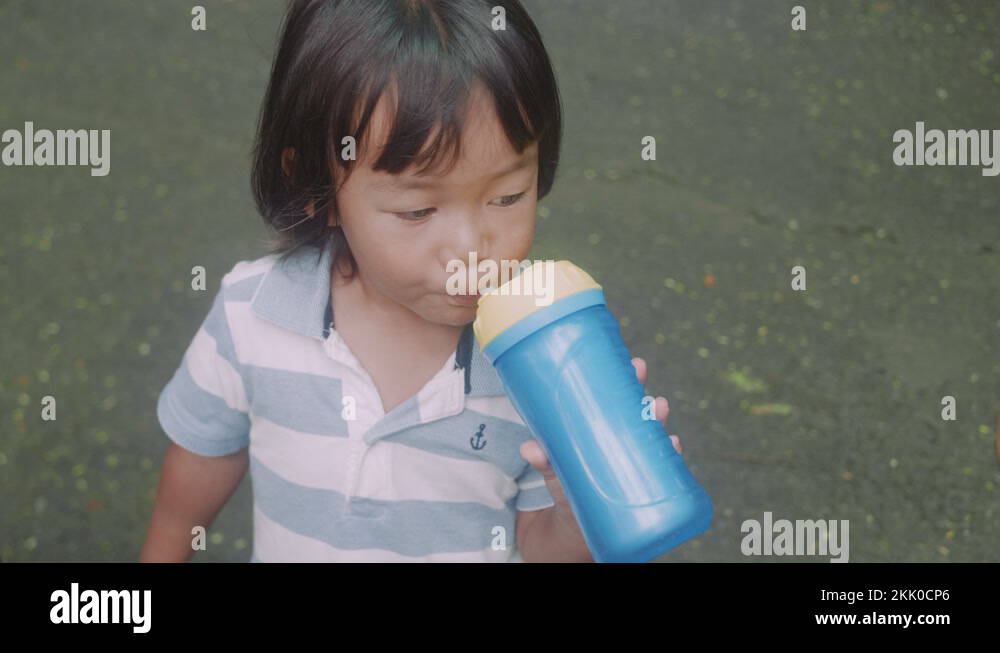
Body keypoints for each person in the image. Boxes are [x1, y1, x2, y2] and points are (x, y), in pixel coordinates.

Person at [140, 0, 681, 563]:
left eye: (507, 197)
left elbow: (542, 548)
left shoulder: (541, 365)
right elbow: (204, 456)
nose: (472, 249)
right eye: (418, 210)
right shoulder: (252, 316)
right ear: (315, 187)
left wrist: (578, 512)